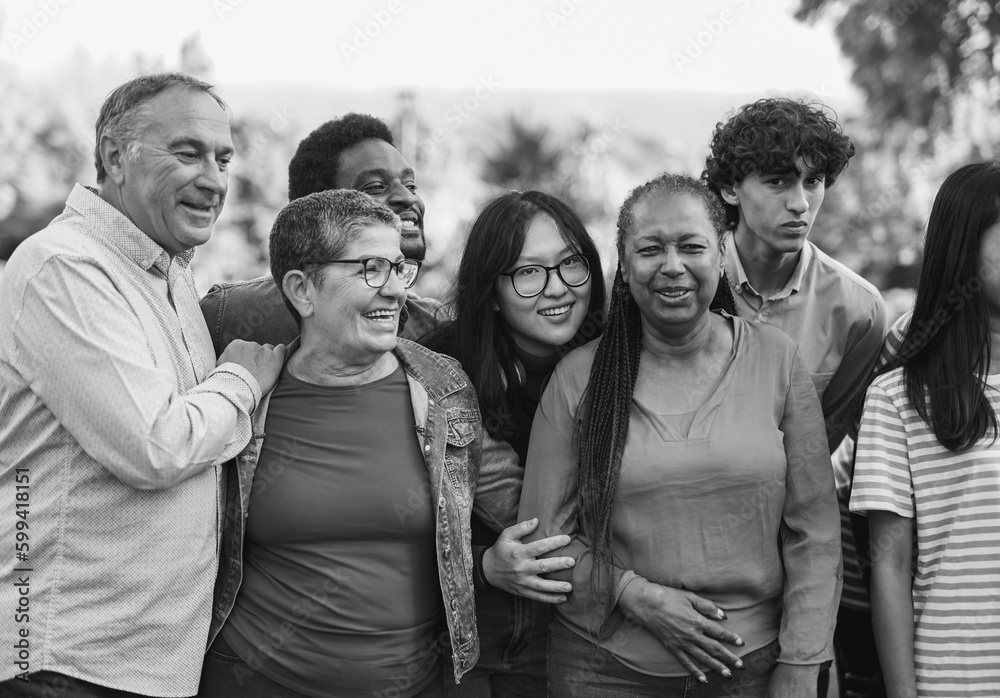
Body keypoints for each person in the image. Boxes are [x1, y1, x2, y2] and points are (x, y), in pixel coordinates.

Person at [199, 189, 575, 698]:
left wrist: (488, 566)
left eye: (400, 268)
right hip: (250, 680)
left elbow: (528, 512)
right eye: (371, 268)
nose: (396, 289)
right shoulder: (245, 395)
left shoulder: (443, 389)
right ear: (302, 289)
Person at [0, 73, 284, 697]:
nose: (213, 178)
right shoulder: (65, 267)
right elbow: (153, 446)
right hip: (66, 663)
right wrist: (241, 379)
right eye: (187, 153)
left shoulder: (165, 269)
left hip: (141, 667)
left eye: (224, 158)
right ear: (113, 156)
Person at [519, 173, 842, 697]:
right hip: (603, 668)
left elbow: (815, 531)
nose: (672, 266)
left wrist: (804, 661)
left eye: (691, 247)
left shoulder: (776, 359)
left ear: (720, 254)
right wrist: (633, 594)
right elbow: (542, 542)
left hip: (753, 665)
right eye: (650, 250)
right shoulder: (581, 376)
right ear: (624, 264)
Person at [702, 97, 887, 697]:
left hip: (793, 551)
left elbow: (819, 456)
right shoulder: (674, 281)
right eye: (778, 181)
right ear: (731, 187)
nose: (801, 202)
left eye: (815, 181)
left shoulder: (858, 312)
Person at [423, 191, 606, 695]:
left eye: (571, 263)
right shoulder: (440, 374)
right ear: (491, 290)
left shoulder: (618, 364)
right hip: (464, 645)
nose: (557, 289)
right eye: (529, 272)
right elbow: (397, 523)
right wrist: (483, 565)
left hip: (575, 638)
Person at [851, 162, 1000, 697]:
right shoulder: (898, 397)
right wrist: (904, 693)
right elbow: (888, 563)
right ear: (963, 244)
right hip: (953, 678)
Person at [200, 113, 444, 353]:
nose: (408, 197)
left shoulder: (439, 329)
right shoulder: (230, 317)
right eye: (375, 187)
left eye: (411, 185)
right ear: (318, 212)